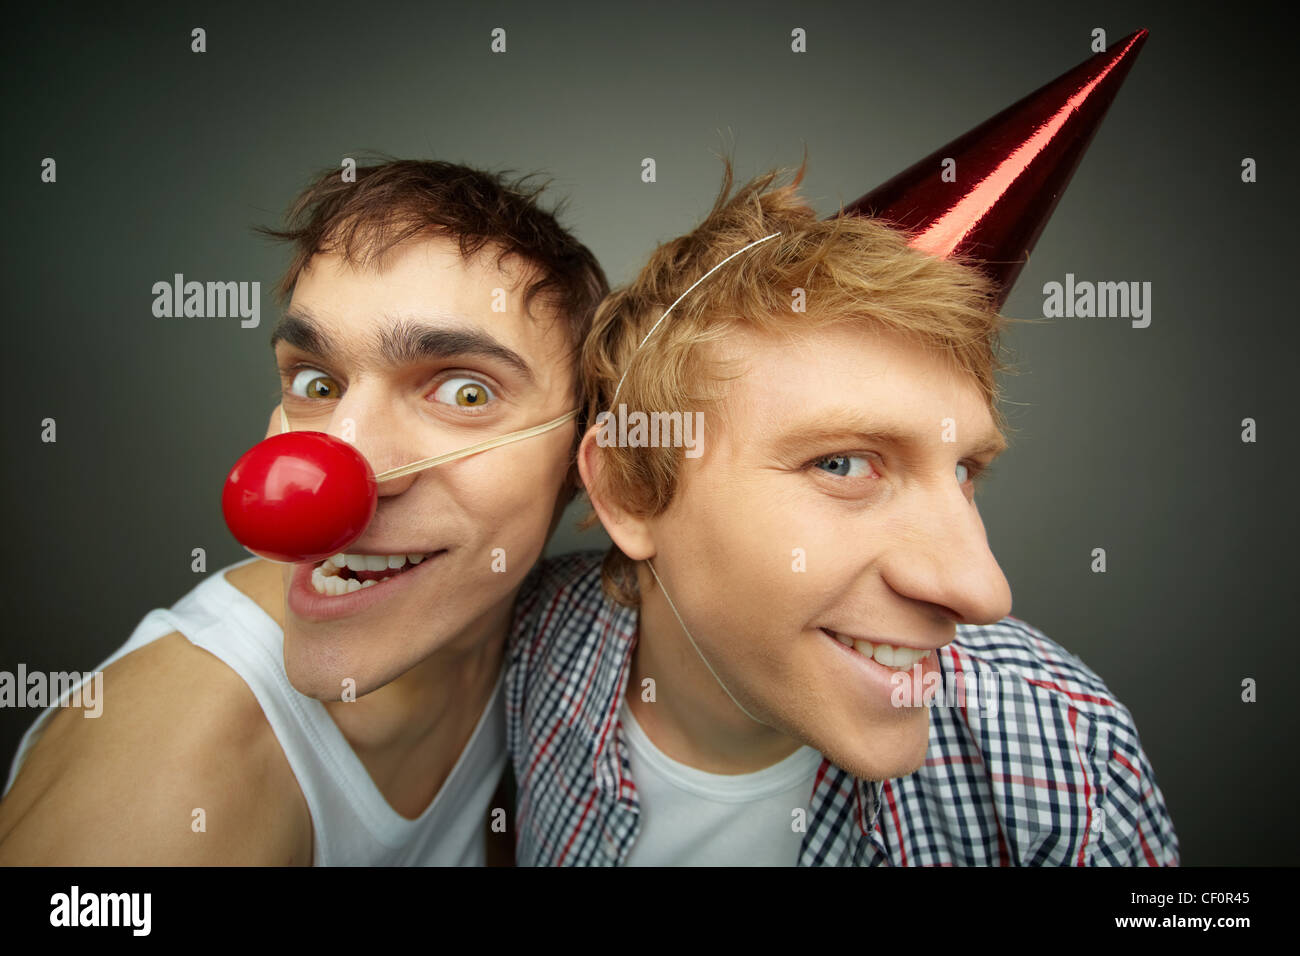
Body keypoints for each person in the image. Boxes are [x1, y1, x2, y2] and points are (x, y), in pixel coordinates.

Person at [505, 159, 1178, 866]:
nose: (981, 593)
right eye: (843, 464)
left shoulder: (1070, 759)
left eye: (964, 471)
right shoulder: (516, 653)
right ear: (630, 491)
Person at [0, 159, 607, 865]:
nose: (345, 468)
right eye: (317, 382)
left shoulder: (551, 646)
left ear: (581, 461)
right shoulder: (169, 797)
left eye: (465, 394)